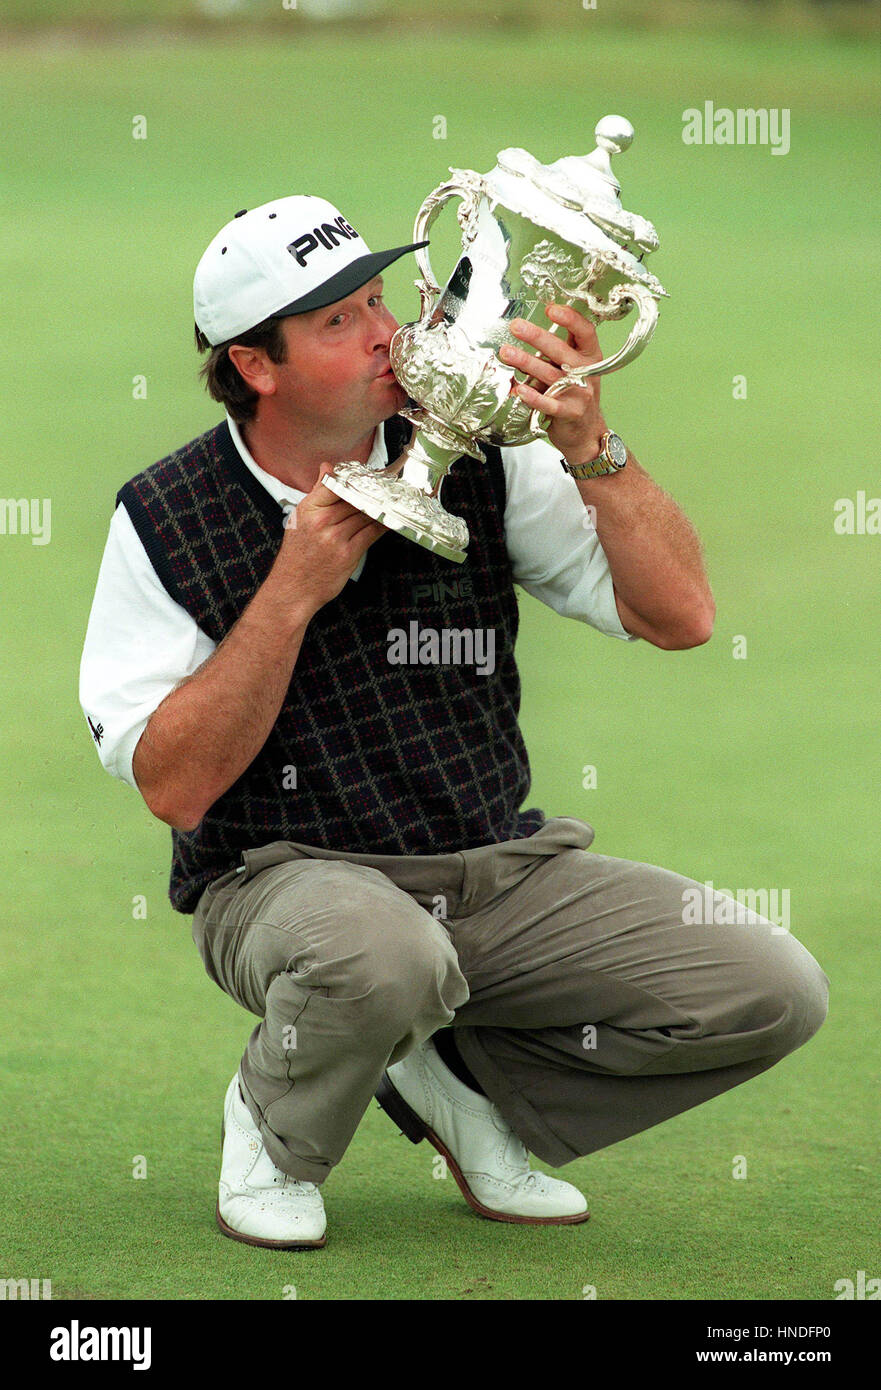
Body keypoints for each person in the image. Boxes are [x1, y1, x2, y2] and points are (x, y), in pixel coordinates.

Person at [79, 193, 828, 1250]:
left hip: (494, 870)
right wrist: (291, 589)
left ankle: (460, 1078)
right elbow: (175, 786)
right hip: (281, 881)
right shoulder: (163, 515)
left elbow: (681, 617)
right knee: (382, 955)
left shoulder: (480, 450)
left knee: (766, 989)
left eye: (378, 298)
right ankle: (274, 1131)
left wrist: (591, 444)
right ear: (257, 365)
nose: (387, 330)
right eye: (338, 319)